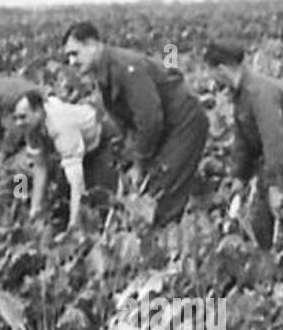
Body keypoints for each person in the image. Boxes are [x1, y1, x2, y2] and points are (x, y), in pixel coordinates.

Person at [62, 21, 208, 225]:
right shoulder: (102, 75)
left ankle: (168, 238)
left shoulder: (125, 66)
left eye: (74, 53)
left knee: (164, 187)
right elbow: (128, 123)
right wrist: (131, 158)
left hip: (183, 121)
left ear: (92, 45)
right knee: (150, 186)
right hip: (164, 125)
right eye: (68, 56)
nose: (71, 62)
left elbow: (149, 117)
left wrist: (139, 163)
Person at [204, 39, 283, 249]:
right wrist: (239, 176)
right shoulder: (241, 93)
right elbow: (243, 139)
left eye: (210, 71)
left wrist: (277, 186)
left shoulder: (259, 92)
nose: (210, 78)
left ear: (221, 69)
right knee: (261, 219)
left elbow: (276, 142)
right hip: (281, 159)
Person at [11, 89, 118, 229]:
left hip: (97, 141)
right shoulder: (29, 128)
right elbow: (40, 167)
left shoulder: (60, 127)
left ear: (37, 112)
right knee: (18, 168)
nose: (18, 123)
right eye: (16, 118)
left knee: (96, 198)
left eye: (23, 117)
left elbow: (77, 183)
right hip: (59, 149)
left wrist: (73, 224)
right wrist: (34, 208)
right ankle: (21, 206)